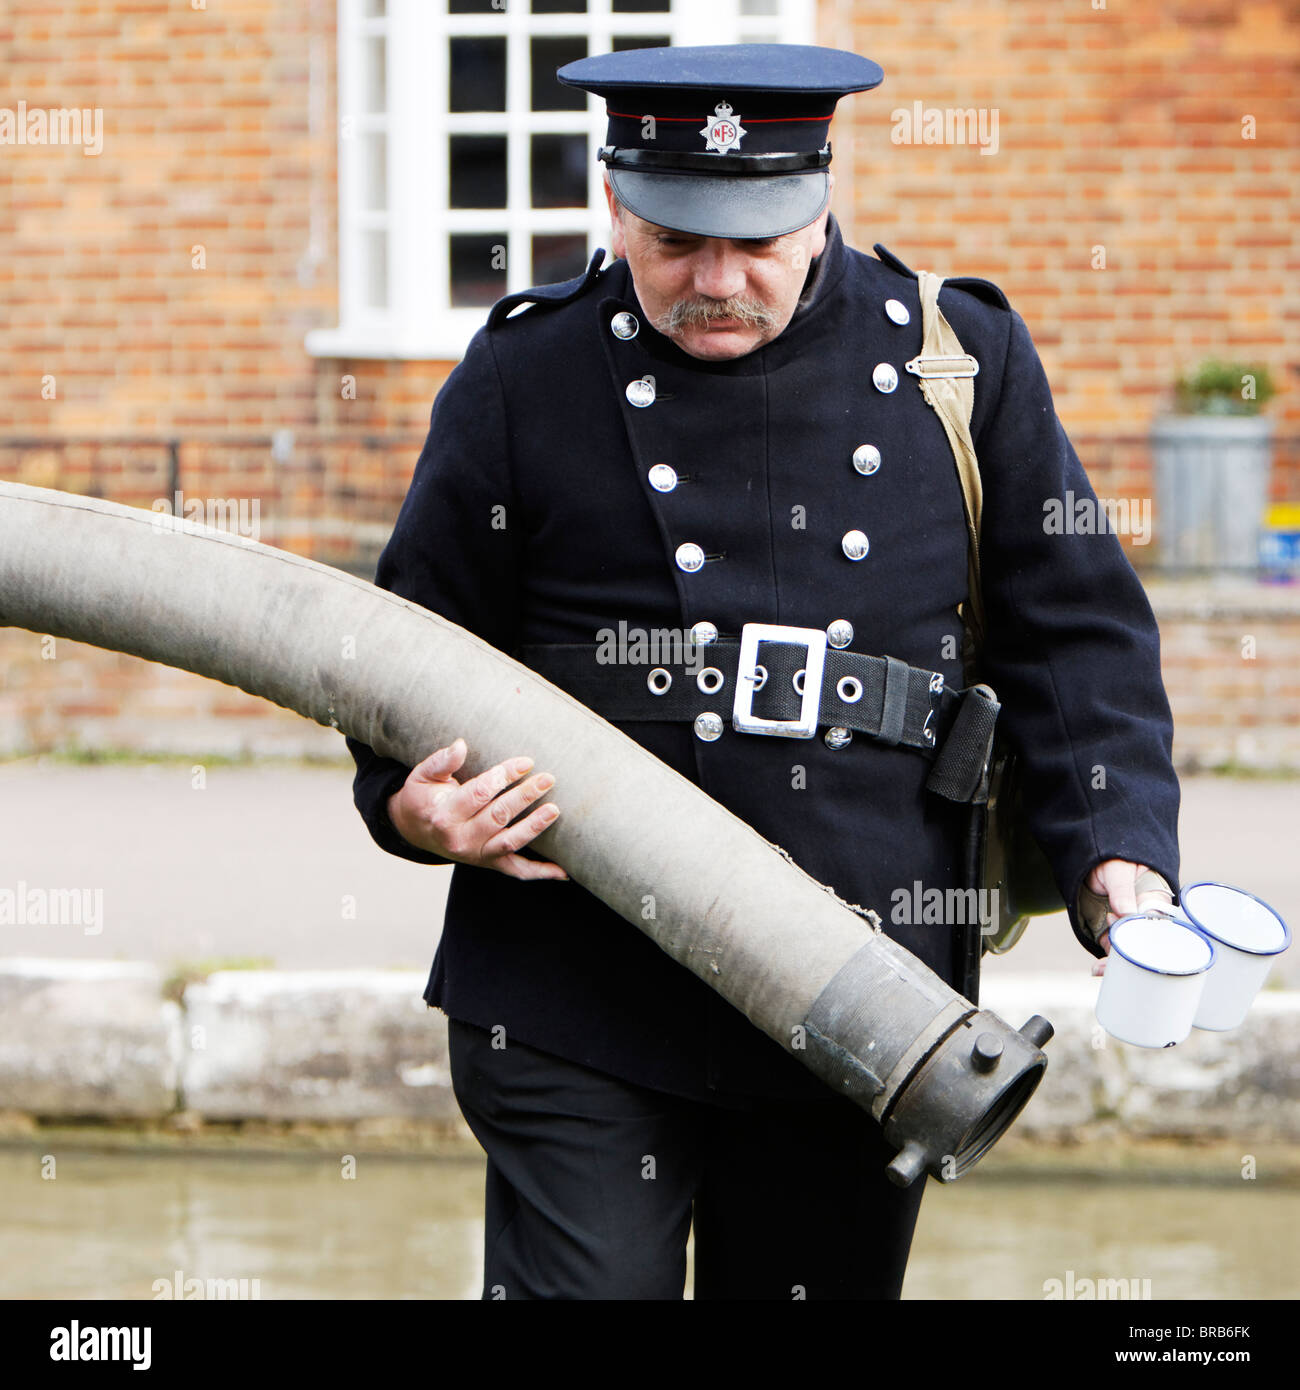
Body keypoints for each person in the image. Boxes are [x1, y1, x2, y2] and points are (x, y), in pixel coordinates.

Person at [346, 43, 1180, 1300]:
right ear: (611, 199)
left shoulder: (959, 362)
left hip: (859, 984)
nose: (717, 281)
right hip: (577, 983)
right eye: (677, 239)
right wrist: (414, 805)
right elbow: (404, 648)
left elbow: (1076, 637)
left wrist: (1118, 852)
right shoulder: (524, 373)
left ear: (823, 195)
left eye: (759, 239)